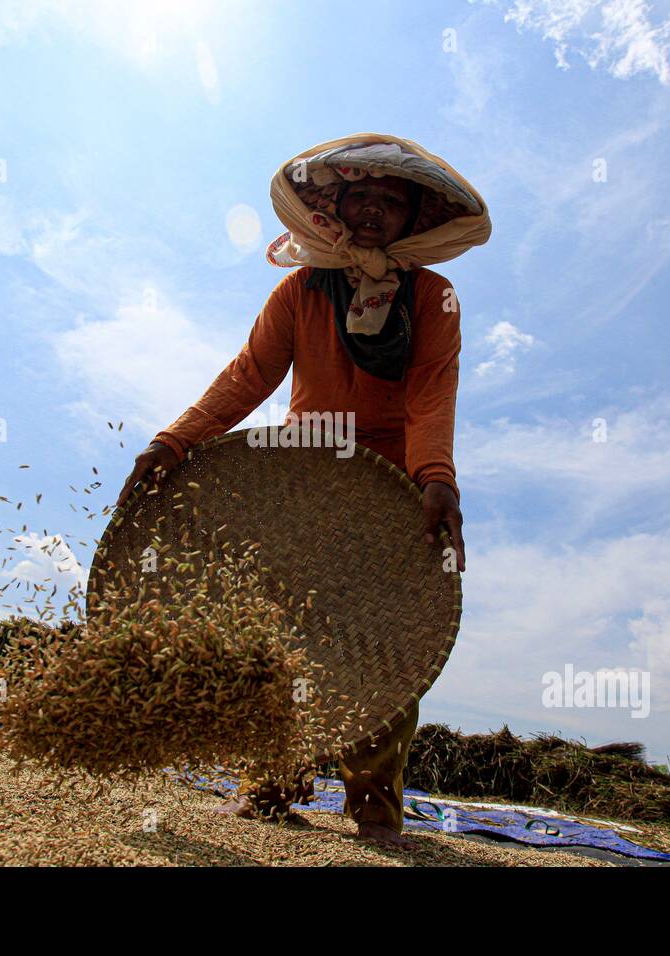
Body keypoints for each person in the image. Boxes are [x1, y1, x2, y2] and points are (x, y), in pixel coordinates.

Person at [116, 134, 490, 847]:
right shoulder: (299, 290)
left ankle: (375, 805)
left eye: (391, 201)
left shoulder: (432, 297)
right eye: (362, 198)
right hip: (303, 482)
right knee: (284, 640)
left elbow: (429, 397)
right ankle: (272, 787)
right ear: (335, 208)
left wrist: (436, 483)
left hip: (384, 486)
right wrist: (174, 440)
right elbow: (249, 375)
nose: (375, 211)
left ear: (412, 218)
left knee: (383, 643)